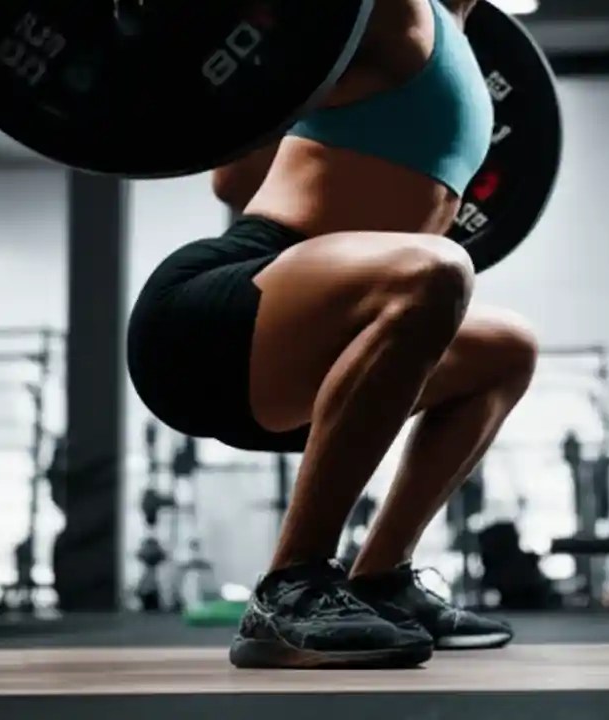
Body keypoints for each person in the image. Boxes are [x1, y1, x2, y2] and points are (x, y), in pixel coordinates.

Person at [127, 0, 538, 669]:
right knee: (436, 271)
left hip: (306, 349)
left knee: (507, 349)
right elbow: (230, 172)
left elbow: (237, 175)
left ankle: (382, 580)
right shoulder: (396, 13)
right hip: (212, 311)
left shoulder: (461, 45)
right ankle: (290, 588)